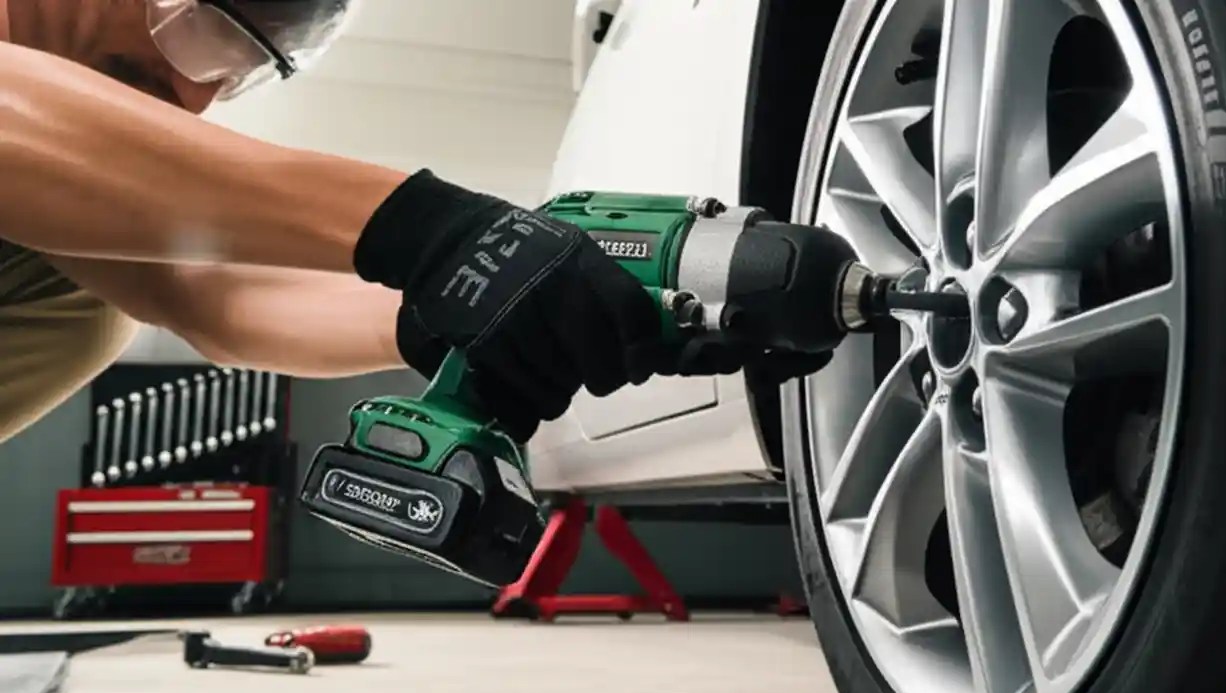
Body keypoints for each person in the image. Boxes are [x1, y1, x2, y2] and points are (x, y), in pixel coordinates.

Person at [0, 0, 828, 447]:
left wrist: (457, 306)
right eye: (206, 31)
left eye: (241, 69)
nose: (199, 96)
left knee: (94, 283)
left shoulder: (71, 203)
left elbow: (203, 284)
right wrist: (432, 230)